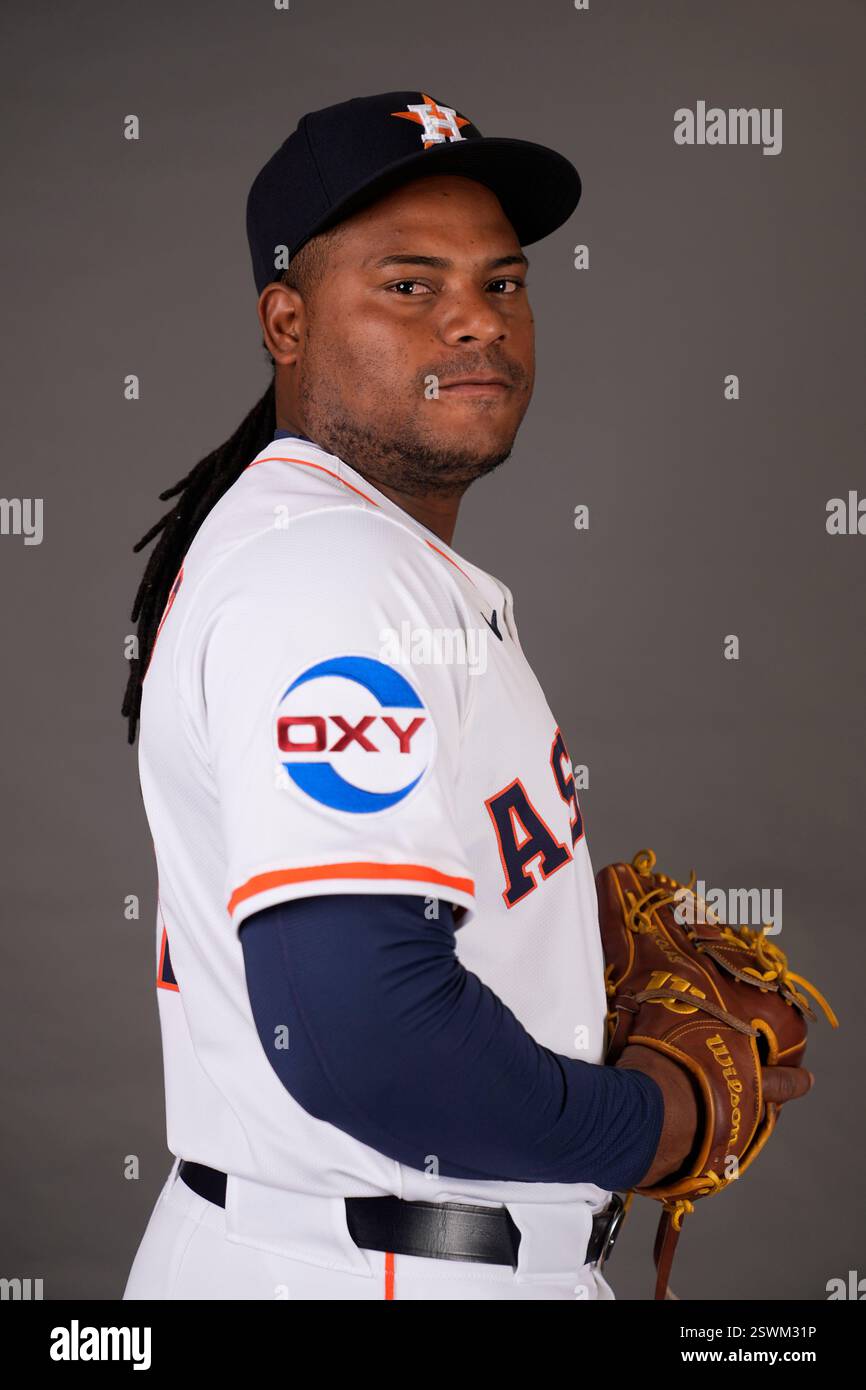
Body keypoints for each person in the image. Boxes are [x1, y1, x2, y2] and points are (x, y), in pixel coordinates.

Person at [121, 91, 811, 1301]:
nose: (473, 323)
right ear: (286, 320)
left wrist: (532, 950)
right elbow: (364, 1036)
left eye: (501, 283)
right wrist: (656, 1120)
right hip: (370, 1269)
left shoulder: (355, 553)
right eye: (408, 284)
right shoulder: (328, 578)